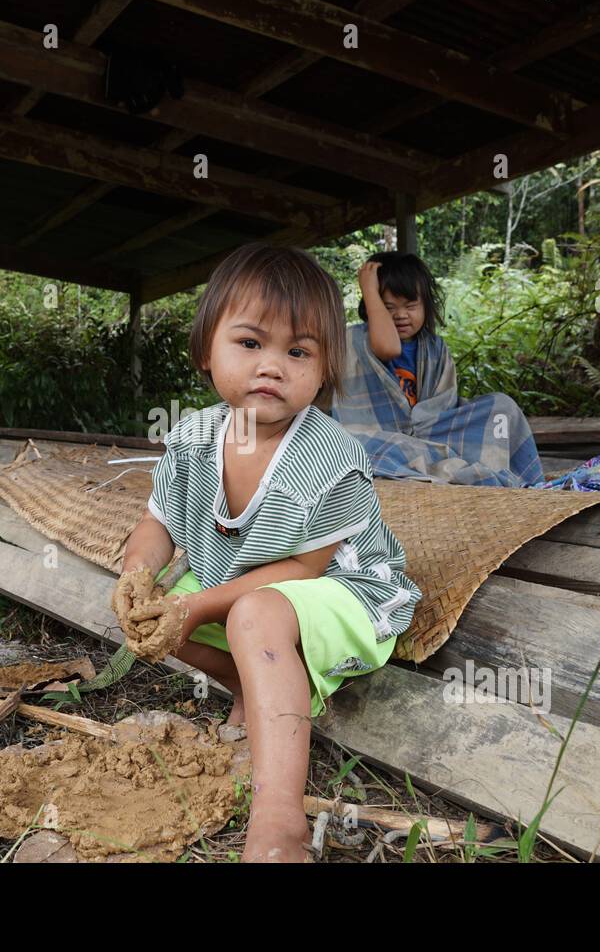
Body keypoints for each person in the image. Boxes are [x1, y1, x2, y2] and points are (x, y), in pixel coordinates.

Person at [113, 243, 422, 862]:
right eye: (250, 344)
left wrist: (198, 603)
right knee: (151, 619)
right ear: (207, 350)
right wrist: (136, 575)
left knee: (250, 612)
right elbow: (157, 527)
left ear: (325, 368)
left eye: (298, 352)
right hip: (246, 599)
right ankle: (263, 688)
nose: (272, 366)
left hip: (348, 596)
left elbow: (304, 568)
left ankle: (278, 823)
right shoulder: (193, 438)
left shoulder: (327, 452)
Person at [334, 251, 543, 487]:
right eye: (388, 306)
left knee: (502, 406)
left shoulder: (435, 348)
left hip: (430, 432)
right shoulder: (353, 341)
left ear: (426, 305)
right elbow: (388, 347)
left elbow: (444, 405)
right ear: (372, 307)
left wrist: (420, 428)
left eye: (410, 306)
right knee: (375, 446)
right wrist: (369, 290)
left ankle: (520, 484)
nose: (400, 315)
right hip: (379, 436)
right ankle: (441, 461)